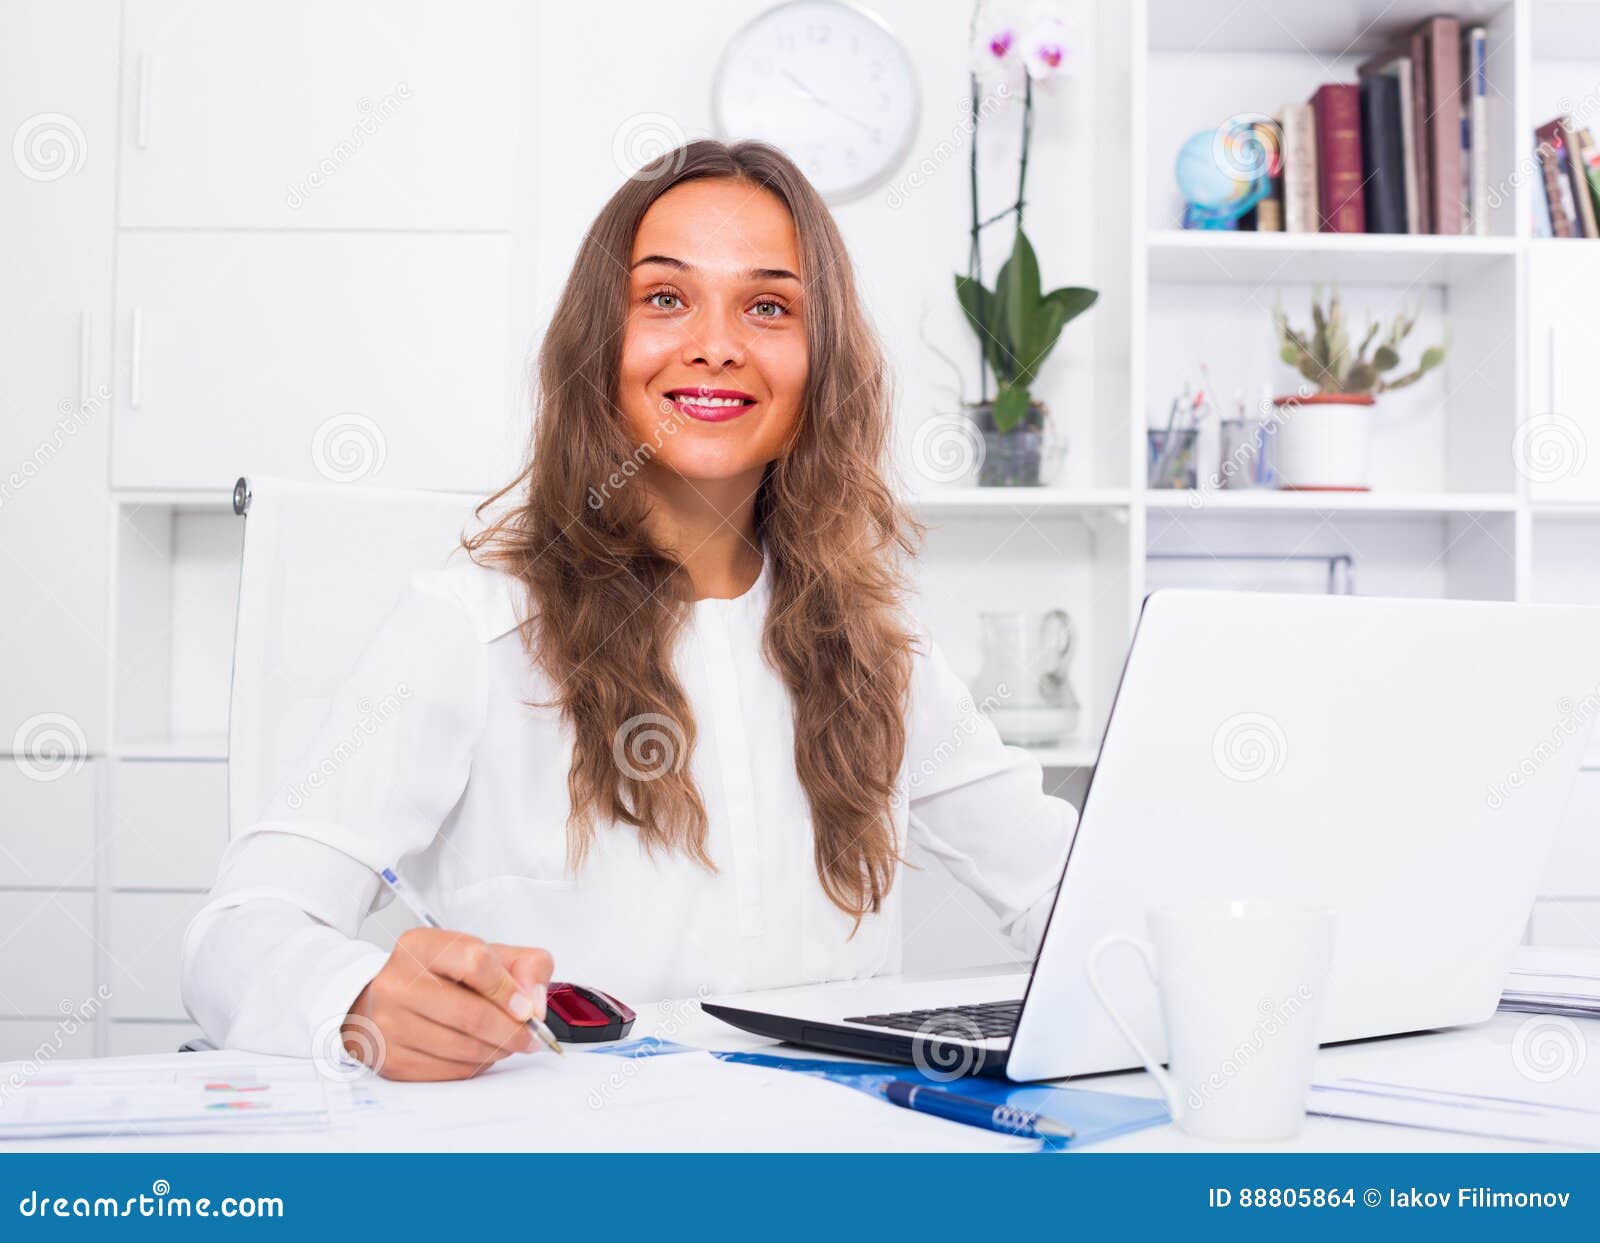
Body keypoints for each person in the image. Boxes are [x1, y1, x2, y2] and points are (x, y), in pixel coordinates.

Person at [181, 140, 1076, 1082]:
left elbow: (1069, 892)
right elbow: (237, 932)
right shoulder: (470, 630)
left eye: (768, 306)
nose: (717, 344)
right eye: (665, 298)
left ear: (823, 365)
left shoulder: (879, 654)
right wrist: (359, 998)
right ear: (597, 346)